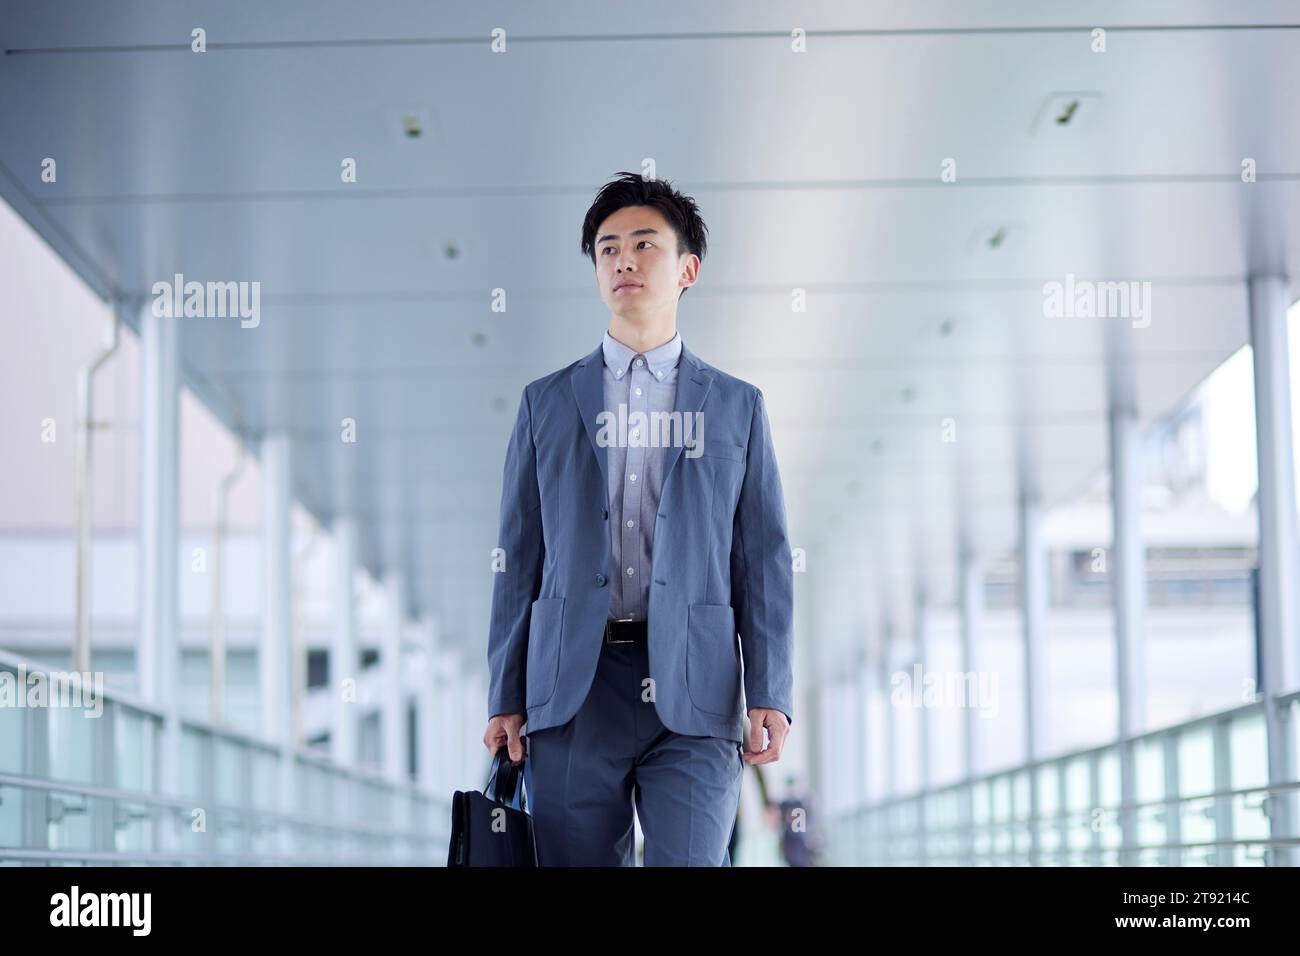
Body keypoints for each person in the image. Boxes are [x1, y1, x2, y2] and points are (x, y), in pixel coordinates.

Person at [482, 171, 795, 866]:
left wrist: (771, 689)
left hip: (696, 685)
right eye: (607, 248)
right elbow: (517, 561)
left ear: (687, 268)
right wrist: (505, 695)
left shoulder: (737, 407)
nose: (623, 259)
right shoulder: (547, 404)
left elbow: (763, 558)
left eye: (644, 244)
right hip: (571, 688)